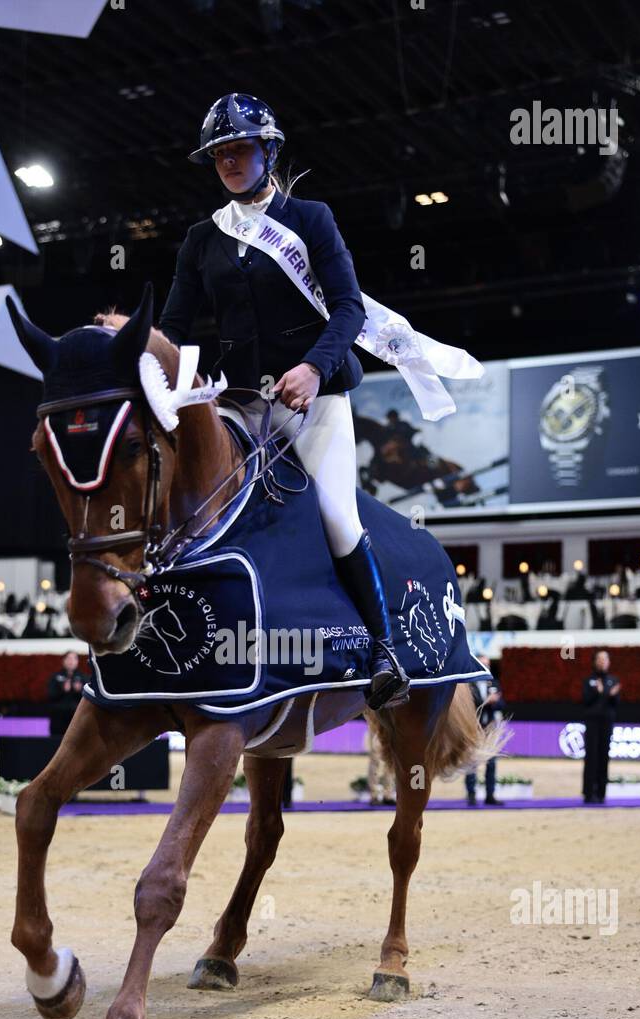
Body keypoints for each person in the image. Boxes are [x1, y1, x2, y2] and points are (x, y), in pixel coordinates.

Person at [157, 93, 411, 712]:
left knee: (334, 513)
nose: (227, 162)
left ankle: (383, 651)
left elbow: (348, 308)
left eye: (238, 149)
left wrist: (313, 369)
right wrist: (152, 362)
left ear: (268, 150)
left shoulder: (312, 220)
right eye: (218, 154)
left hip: (311, 401)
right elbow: (176, 325)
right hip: (238, 401)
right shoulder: (201, 239)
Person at [582, 649, 620, 804]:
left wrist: (605, 693)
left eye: (605, 659)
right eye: (600, 659)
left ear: (609, 662)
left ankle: (602, 793)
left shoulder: (613, 680)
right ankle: (589, 792)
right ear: (595, 661)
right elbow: (586, 701)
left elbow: (615, 703)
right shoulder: (589, 680)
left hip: (607, 724)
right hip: (592, 724)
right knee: (591, 757)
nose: (602, 662)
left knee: (604, 757)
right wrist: (602, 693)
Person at [464, 656, 503, 806]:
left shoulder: (493, 682)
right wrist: (488, 700)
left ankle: (490, 795)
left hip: (489, 729)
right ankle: (471, 794)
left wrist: (495, 701)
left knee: (491, 763)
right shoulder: (468, 684)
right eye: (483, 664)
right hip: (473, 728)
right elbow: (471, 704)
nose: (486, 667)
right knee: (472, 763)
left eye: (488, 665)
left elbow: (501, 703)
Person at [47, 651, 86, 740]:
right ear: (63, 661)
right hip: (58, 717)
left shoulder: (84, 677)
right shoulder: (55, 677)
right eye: (68, 658)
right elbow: (50, 695)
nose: (71, 661)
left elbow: (88, 700)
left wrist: (79, 691)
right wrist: (62, 690)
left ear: (77, 662)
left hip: (76, 717)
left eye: (74, 659)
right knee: (56, 741)